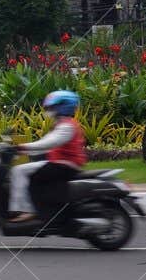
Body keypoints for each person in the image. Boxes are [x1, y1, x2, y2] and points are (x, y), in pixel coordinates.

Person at [7, 90, 87, 224]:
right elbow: (46, 145)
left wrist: (23, 147)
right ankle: (27, 209)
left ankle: (28, 210)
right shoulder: (61, 124)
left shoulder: (66, 126)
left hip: (65, 166)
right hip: (59, 163)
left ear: (62, 107)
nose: (49, 111)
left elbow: (49, 143)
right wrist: (23, 151)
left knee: (23, 173)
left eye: (52, 107)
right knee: (20, 170)